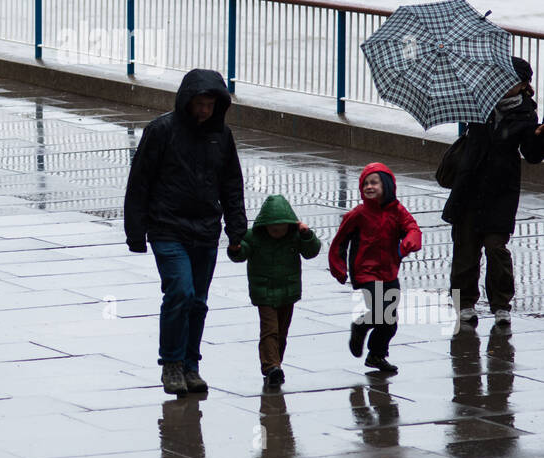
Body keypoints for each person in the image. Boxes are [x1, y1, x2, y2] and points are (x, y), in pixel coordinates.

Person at [124, 70, 247, 395]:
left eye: (210, 105)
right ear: (187, 101)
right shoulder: (161, 130)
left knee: (199, 302)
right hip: (167, 228)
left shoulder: (221, 136)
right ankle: (172, 365)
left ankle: (191, 366)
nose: (204, 110)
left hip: (206, 230)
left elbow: (232, 186)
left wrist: (238, 233)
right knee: (180, 292)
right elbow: (140, 182)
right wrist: (136, 233)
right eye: (199, 103)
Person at [442, 56, 544, 330]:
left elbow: (532, 155)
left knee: (496, 248)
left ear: (523, 85)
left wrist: (541, 135)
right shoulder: (478, 101)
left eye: (510, 81)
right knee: (465, 248)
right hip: (469, 185)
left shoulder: (526, 114)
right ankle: (464, 304)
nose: (503, 85)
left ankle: (501, 306)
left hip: (501, 191)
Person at [328, 162, 421, 376]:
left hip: (389, 270)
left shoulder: (397, 211)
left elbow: (412, 228)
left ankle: (376, 355)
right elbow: (339, 241)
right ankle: (360, 327)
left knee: (390, 321)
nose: (369, 187)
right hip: (366, 271)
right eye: (365, 184)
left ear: (386, 185)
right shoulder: (358, 214)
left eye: (374, 183)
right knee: (380, 311)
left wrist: (410, 241)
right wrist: (339, 268)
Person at [227, 194, 321, 388]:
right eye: (273, 228)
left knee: (282, 332)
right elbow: (241, 253)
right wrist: (235, 248)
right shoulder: (253, 237)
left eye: (280, 228)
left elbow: (311, 251)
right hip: (264, 293)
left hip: (288, 292)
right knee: (270, 330)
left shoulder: (295, 236)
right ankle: (271, 367)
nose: (276, 232)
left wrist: (307, 235)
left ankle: (275, 364)